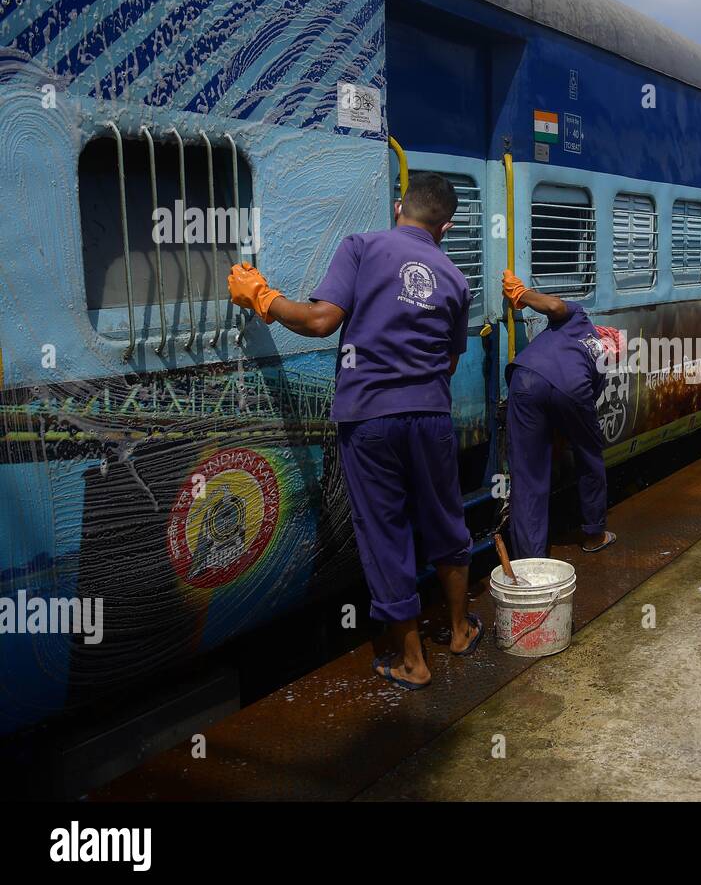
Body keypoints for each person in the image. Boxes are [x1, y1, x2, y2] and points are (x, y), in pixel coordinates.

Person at [227, 172, 480, 691]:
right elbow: (450, 363)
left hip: (369, 419)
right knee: (445, 519)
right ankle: (458, 630)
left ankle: (411, 662)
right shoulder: (456, 278)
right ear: (446, 227)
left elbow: (321, 321)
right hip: (431, 415)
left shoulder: (363, 247)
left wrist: (262, 296)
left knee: (385, 532)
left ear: (397, 208)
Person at [500, 270, 616, 559]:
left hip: (526, 377)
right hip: (571, 388)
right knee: (590, 457)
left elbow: (553, 306)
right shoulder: (600, 368)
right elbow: (573, 416)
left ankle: (530, 559)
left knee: (527, 475)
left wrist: (520, 293)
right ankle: (594, 534)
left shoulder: (579, 318)